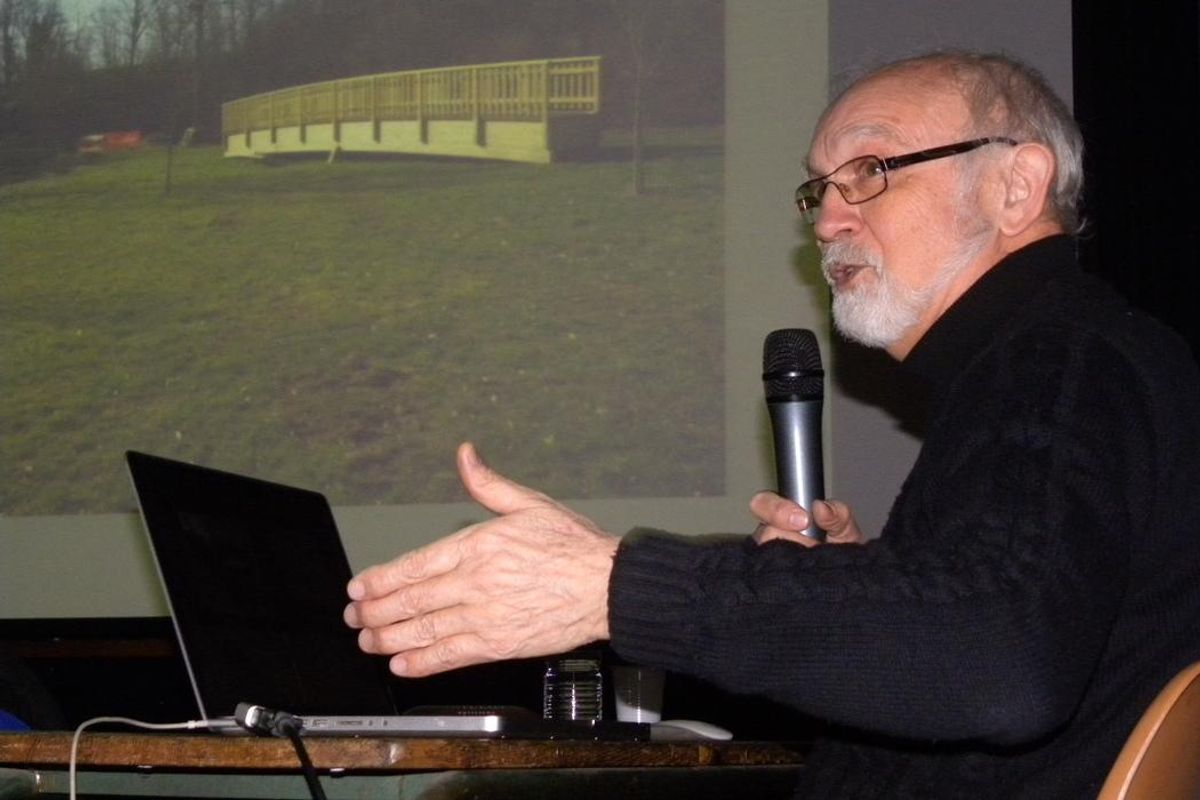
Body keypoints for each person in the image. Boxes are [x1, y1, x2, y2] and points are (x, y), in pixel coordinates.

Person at [343, 49, 1200, 798]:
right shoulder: (1059, 366)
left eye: (869, 171)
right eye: (818, 190)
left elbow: (1001, 664)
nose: (829, 219)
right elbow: (1005, 630)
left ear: (1017, 185)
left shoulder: (1063, 359)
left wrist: (612, 587)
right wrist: (868, 587)